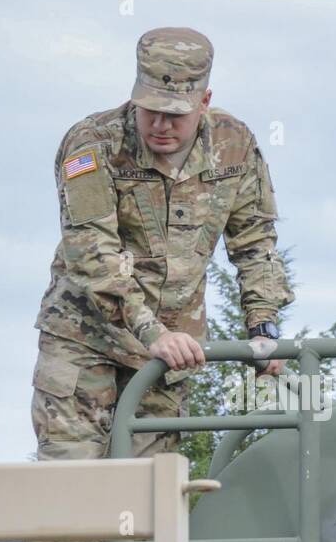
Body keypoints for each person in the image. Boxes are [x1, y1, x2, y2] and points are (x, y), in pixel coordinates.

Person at [32, 27, 293, 459]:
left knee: (148, 504)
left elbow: (255, 243)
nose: (160, 125)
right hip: (84, 340)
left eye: (176, 114)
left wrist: (262, 327)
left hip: (168, 358)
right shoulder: (92, 143)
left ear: (204, 102)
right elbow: (92, 251)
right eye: (150, 109)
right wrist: (151, 331)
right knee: (71, 498)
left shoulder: (234, 145)